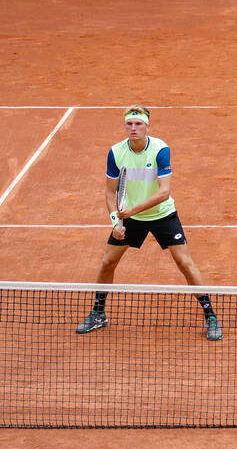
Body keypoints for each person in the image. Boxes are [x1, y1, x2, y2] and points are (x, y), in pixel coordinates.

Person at [76, 105, 222, 341]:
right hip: (130, 218)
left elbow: (164, 192)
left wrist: (131, 210)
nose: (133, 128)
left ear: (147, 126)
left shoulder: (160, 150)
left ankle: (210, 315)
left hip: (162, 214)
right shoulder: (115, 152)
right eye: (129, 124)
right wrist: (115, 221)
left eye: (138, 124)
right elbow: (109, 191)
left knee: (184, 262)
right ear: (125, 126)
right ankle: (99, 313)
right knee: (107, 262)